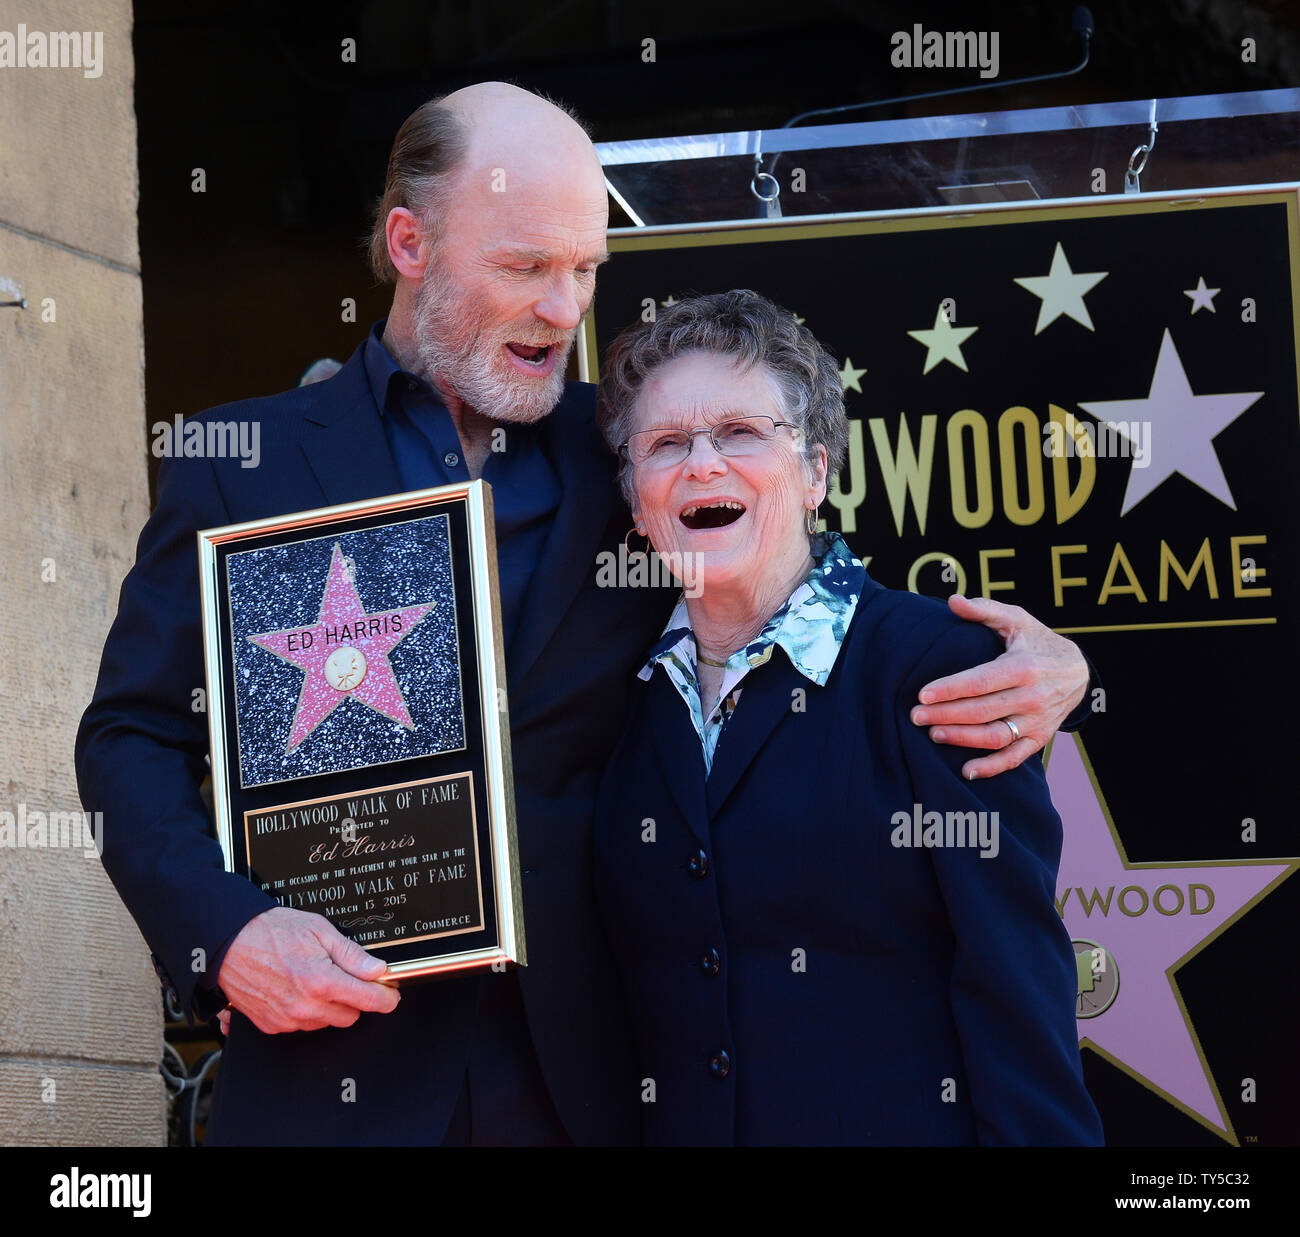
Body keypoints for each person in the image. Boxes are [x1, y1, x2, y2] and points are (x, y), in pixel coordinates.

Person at [76, 83, 1095, 1147]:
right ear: (409, 242)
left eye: (584, 269)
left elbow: (780, 568)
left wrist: (1057, 662)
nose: (566, 308)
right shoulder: (245, 462)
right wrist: (224, 935)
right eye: (526, 266)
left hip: (595, 1094)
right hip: (328, 1083)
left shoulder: (629, 452)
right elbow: (129, 737)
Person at [592, 289, 1103, 1146]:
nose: (702, 465)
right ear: (637, 503)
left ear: (817, 473)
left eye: (742, 433)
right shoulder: (616, 694)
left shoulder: (936, 666)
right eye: (666, 444)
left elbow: (1015, 984)